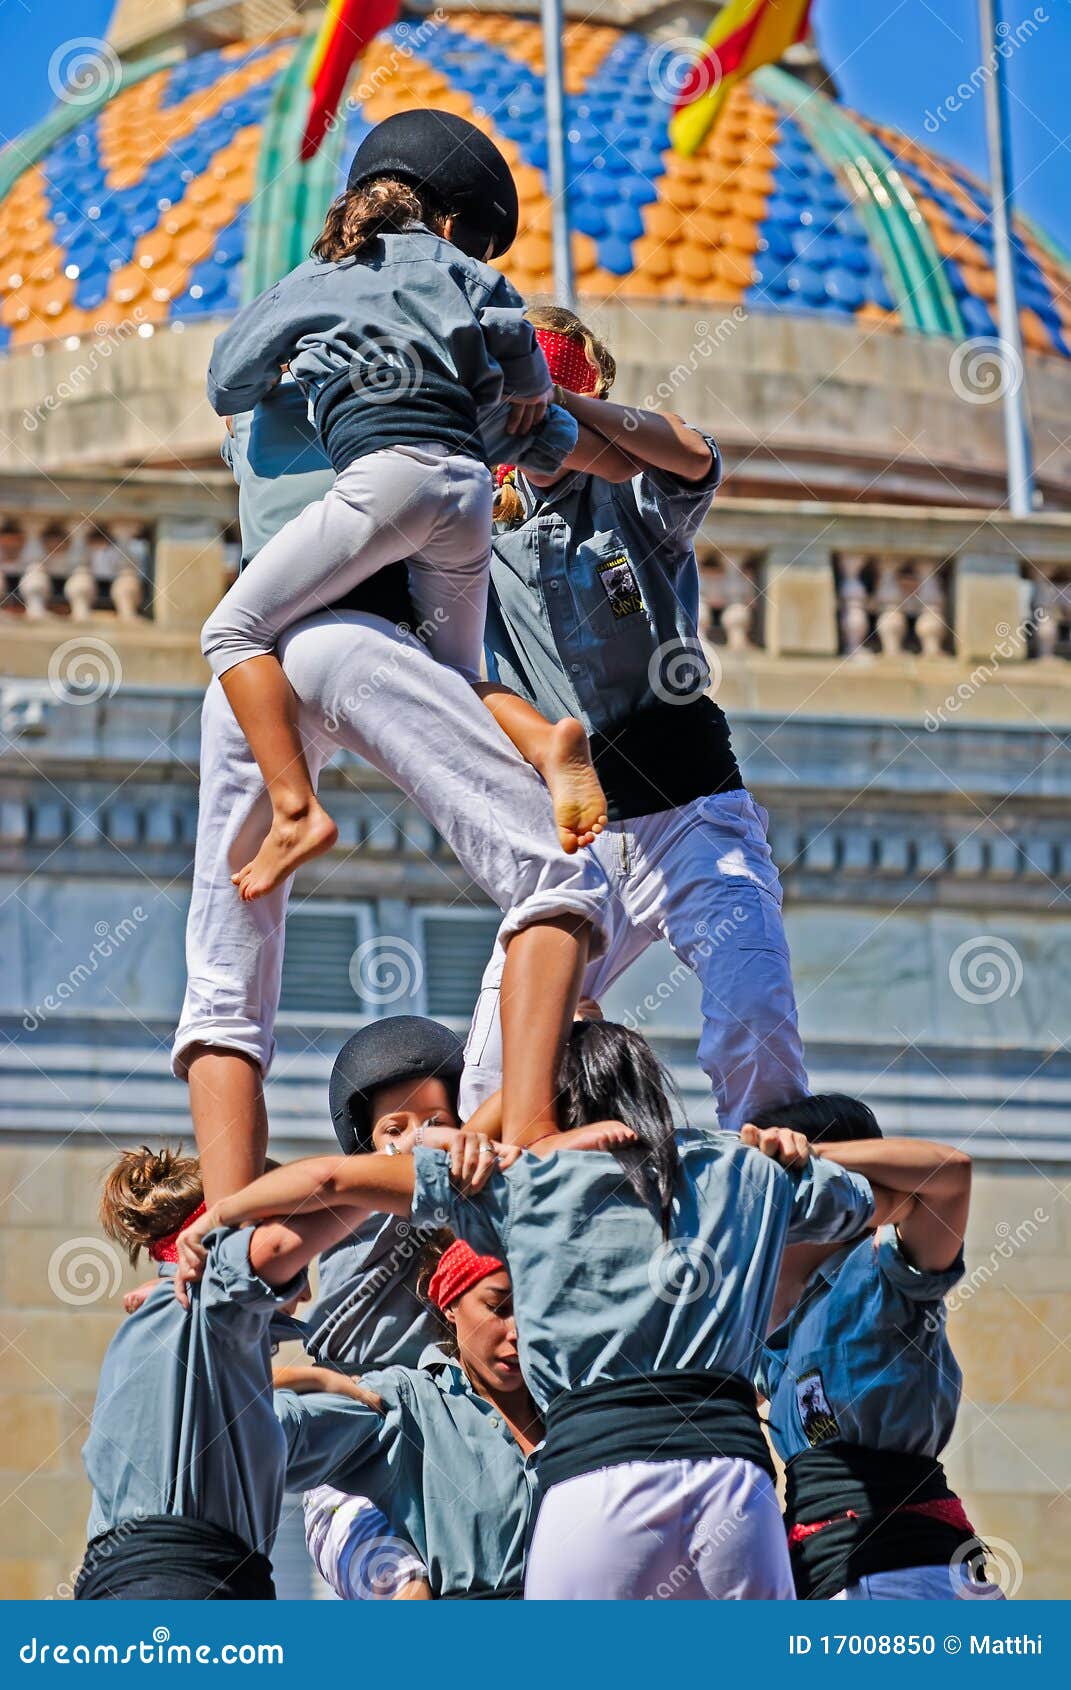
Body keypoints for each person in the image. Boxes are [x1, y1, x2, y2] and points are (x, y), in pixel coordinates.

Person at [176, 1024, 881, 1600]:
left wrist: (222, 1217)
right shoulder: (734, 1171)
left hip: (589, 1480)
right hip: (732, 1482)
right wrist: (793, 1158)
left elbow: (329, 1177)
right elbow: (864, 1200)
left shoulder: (523, 1184)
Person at [174, 387, 614, 1207]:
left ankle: (226, 1224)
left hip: (247, 689)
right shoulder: (411, 395)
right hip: (360, 648)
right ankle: (529, 1126)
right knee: (562, 874)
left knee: (222, 972)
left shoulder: (262, 408)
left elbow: (231, 382)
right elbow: (539, 432)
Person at [201, 110, 601, 900]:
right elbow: (544, 423)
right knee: (456, 677)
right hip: (464, 498)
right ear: (449, 224)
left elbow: (227, 381)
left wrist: (284, 382)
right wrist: (529, 394)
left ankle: (295, 810)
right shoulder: (461, 296)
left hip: (382, 490)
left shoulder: (319, 284)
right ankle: (547, 747)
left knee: (231, 629)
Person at [461, 304, 808, 1134]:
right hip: (579, 826)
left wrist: (560, 409)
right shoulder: (474, 521)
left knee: (754, 1009)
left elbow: (691, 454)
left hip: (691, 804)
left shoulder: (631, 498)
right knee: (493, 1061)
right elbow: (468, 675)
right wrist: (546, 748)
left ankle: (772, 1189)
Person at [749, 1093, 1004, 1602]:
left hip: (904, 1575)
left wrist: (814, 1160)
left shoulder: (878, 1275)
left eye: (769, 1194)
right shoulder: (769, 1337)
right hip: (828, 1577)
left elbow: (951, 1176)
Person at [75, 1145, 345, 1599]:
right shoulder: (208, 1296)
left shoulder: (179, 1320)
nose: (304, 1288)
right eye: (301, 1262)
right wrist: (407, 1165)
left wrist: (327, 1381)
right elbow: (321, 1195)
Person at [277, 1235, 543, 1599]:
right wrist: (307, 1378)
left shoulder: (579, 1411)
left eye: (533, 1309)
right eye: (498, 1307)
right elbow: (263, 1427)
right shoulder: (405, 1403)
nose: (517, 1333)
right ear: (449, 1304)